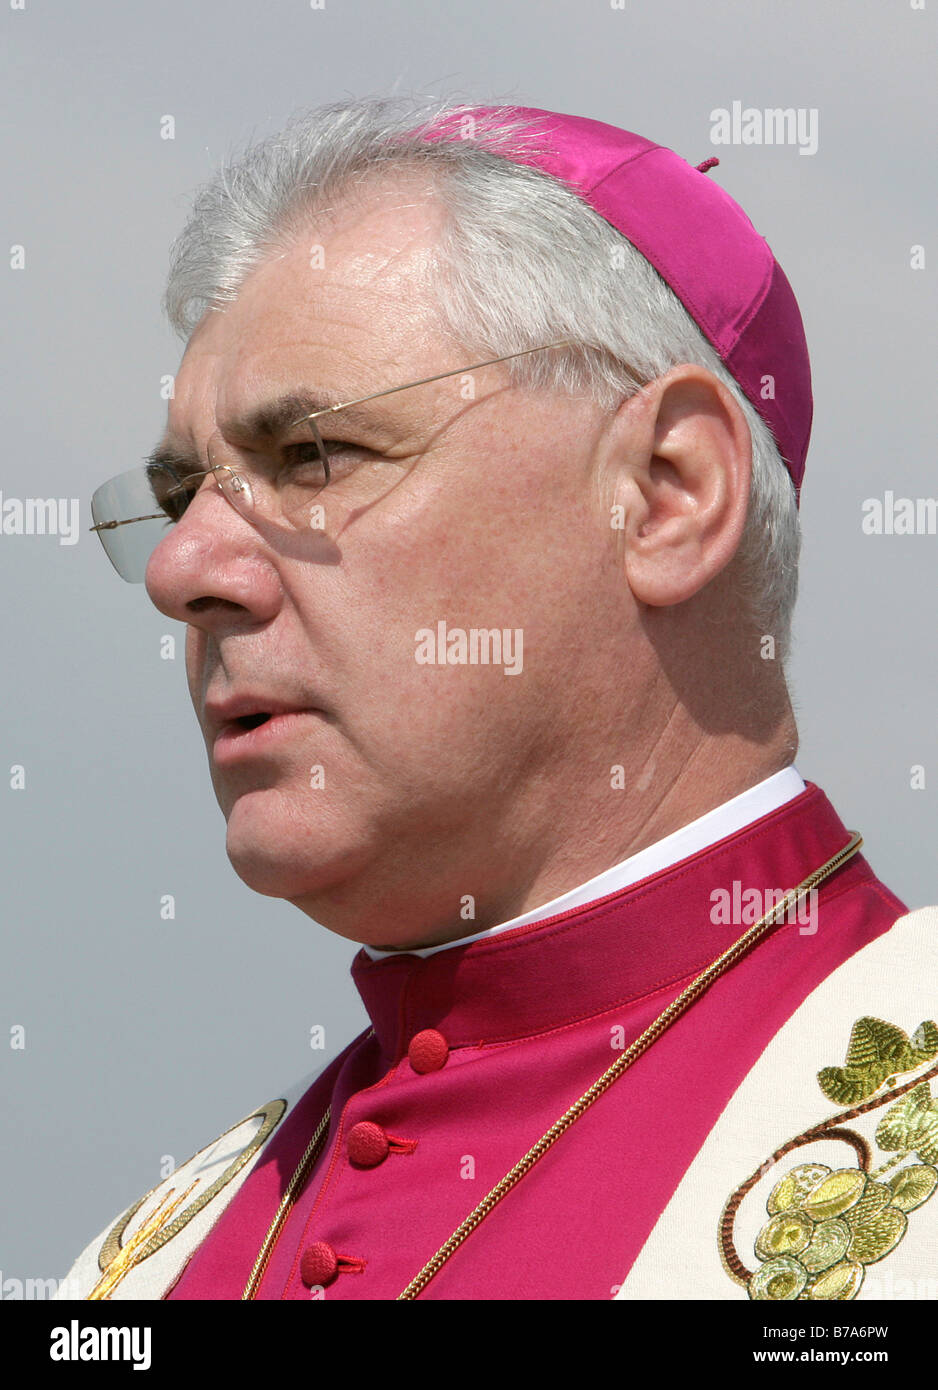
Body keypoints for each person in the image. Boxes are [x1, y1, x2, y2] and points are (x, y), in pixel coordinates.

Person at [58, 96, 937, 1302]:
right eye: (177, 496)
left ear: (665, 493)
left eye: (312, 456)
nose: (181, 571)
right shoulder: (135, 1277)